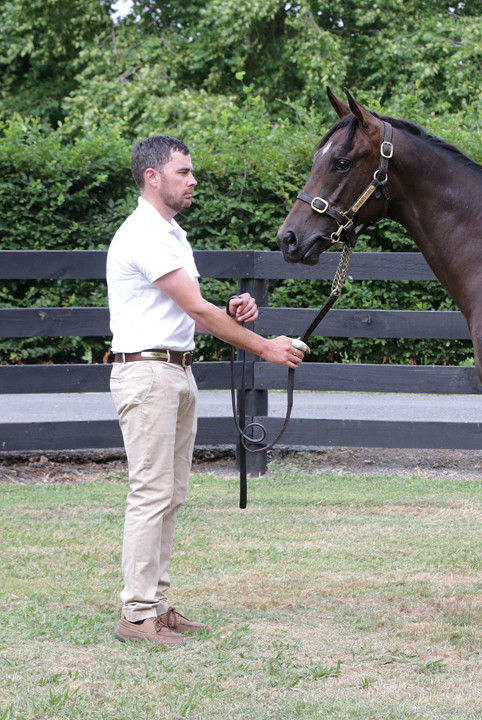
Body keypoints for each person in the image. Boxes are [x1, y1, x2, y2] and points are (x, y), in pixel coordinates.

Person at [107, 135, 306, 645]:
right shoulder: (145, 234)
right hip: (149, 373)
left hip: (173, 371)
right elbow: (196, 312)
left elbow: (191, 307)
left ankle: (157, 605)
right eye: (183, 172)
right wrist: (266, 347)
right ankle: (136, 614)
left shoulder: (171, 234)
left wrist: (233, 308)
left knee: (169, 494)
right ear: (153, 176)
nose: (192, 180)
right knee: (151, 493)